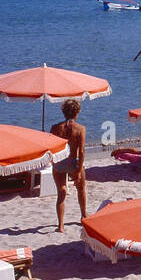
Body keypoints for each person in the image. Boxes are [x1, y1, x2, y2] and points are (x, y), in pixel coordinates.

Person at [49, 98, 87, 233]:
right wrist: (78, 170)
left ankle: (60, 226)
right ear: (77, 113)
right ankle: (83, 216)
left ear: (63, 112)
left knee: (61, 192)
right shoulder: (80, 129)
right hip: (73, 162)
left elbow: (51, 148)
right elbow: (81, 151)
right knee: (81, 189)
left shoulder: (54, 128)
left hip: (59, 162)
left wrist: (52, 162)